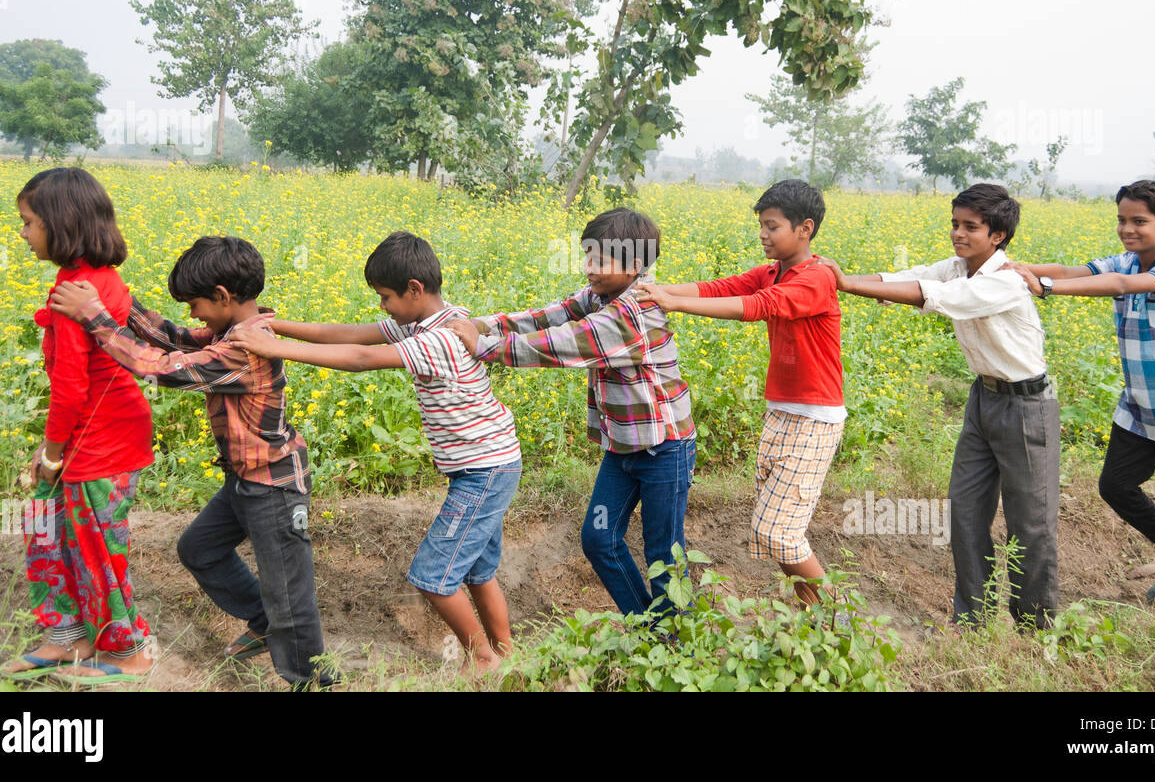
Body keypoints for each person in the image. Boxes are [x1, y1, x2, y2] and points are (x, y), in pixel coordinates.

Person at [49, 236, 337, 690]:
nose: (192, 314)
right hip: (244, 481)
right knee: (199, 550)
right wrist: (120, 299)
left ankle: (313, 681)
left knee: (290, 598)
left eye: (196, 303)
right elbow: (175, 338)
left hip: (274, 487)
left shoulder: (246, 347)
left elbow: (162, 367)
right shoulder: (232, 328)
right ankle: (263, 622)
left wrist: (97, 319)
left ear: (223, 297)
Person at [231, 232, 522, 674]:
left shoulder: (438, 339)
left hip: (485, 468)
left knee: (434, 577)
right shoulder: (428, 320)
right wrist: (277, 326)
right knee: (478, 571)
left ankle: (482, 657)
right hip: (488, 464)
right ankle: (507, 654)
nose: (382, 306)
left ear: (414, 289)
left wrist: (275, 349)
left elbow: (363, 356)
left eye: (385, 297)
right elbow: (347, 334)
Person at [819, 183, 1060, 630]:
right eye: (955, 224)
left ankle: (1035, 626)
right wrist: (832, 278)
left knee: (1030, 524)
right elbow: (904, 279)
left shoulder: (1003, 281)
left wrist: (845, 283)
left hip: (1027, 408)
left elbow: (940, 298)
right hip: (983, 400)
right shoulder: (956, 268)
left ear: (999, 235)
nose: (958, 234)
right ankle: (973, 619)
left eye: (971, 227)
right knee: (964, 512)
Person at [446, 208, 697, 620]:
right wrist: (481, 323)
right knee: (599, 539)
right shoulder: (600, 296)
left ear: (635, 266)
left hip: (665, 451)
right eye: (587, 256)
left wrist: (483, 346)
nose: (588, 268)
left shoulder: (632, 311)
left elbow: (562, 344)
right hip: (625, 446)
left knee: (665, 557)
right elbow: (548, 317)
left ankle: (674, 647)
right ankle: (647, 629)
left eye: (599, 260)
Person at [1005, 180, 1155, 607]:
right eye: (1122, 220)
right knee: (1116, 486)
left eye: (1139, 221)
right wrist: (1018, 268)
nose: (1127, 229)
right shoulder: (1124, 261)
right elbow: (1078, 271)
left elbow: (1121, 286)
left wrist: (1046, 288)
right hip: (1141, 412)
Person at [637, 179, 843, 607]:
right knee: (774, 534)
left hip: (815, 417)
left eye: (772, 226)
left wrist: (671, 303)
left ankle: (841, 617)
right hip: (781, 412)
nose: (763, 235)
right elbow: (721, 288)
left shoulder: (816, 278)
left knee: (778, 533)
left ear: (804, 229)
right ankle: (816, 616)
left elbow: (755, 307)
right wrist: (654, 293)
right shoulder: (771, 271)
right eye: (761, 226)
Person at [3, 168, 156, 684]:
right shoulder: (90, 282)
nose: (22, 233)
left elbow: (70, 389)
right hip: (95, 432)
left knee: (96, 546)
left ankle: (127, 651)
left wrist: (49, 455)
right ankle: (67, 635)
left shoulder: (75, 293)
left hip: (102, 439)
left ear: (59, 222)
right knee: (47, 527)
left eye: (28, 222)